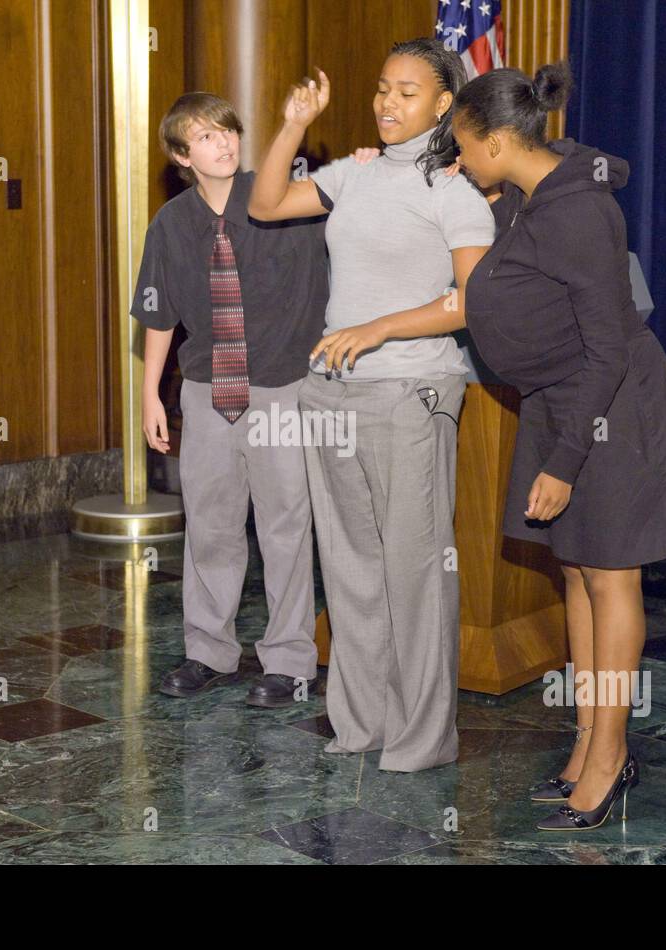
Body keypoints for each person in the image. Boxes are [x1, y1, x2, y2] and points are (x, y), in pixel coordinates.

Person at [452, 63, 666, 829]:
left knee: (611, 578)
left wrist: (566, 462)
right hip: (556, 400)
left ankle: (609, 755)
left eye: (465, 148)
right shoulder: (537, 188)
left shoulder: (579, 213)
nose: (461, 162)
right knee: (576, 571)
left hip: (609, 406)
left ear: (499, 142)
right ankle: (590, 734)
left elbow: (607, 349)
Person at [249, 38, 495, 771]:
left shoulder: (455, 192)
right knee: (351, 567)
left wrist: (380, 326)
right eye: (383, 88)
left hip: (412, 391)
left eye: (408, 91)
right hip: (333, 391)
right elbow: (265, 205)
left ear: (444, 102)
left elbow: (468, 302)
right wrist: (294, 123)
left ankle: (421, 739)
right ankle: (360, 722)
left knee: (415, 570)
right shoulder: (354, 174)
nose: (388, 102)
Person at [134, 93, 329, 707]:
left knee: (285, 526)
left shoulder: (280, 200)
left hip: (279, 389)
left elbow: (348, 201)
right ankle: (207, 651)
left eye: (228, 131)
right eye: (205, 136)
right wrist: (150, 397)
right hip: (205, 390)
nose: (222, 143)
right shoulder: (170, 222)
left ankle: (292, 661)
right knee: (211, 525)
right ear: (180, 154)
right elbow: (160, 317)